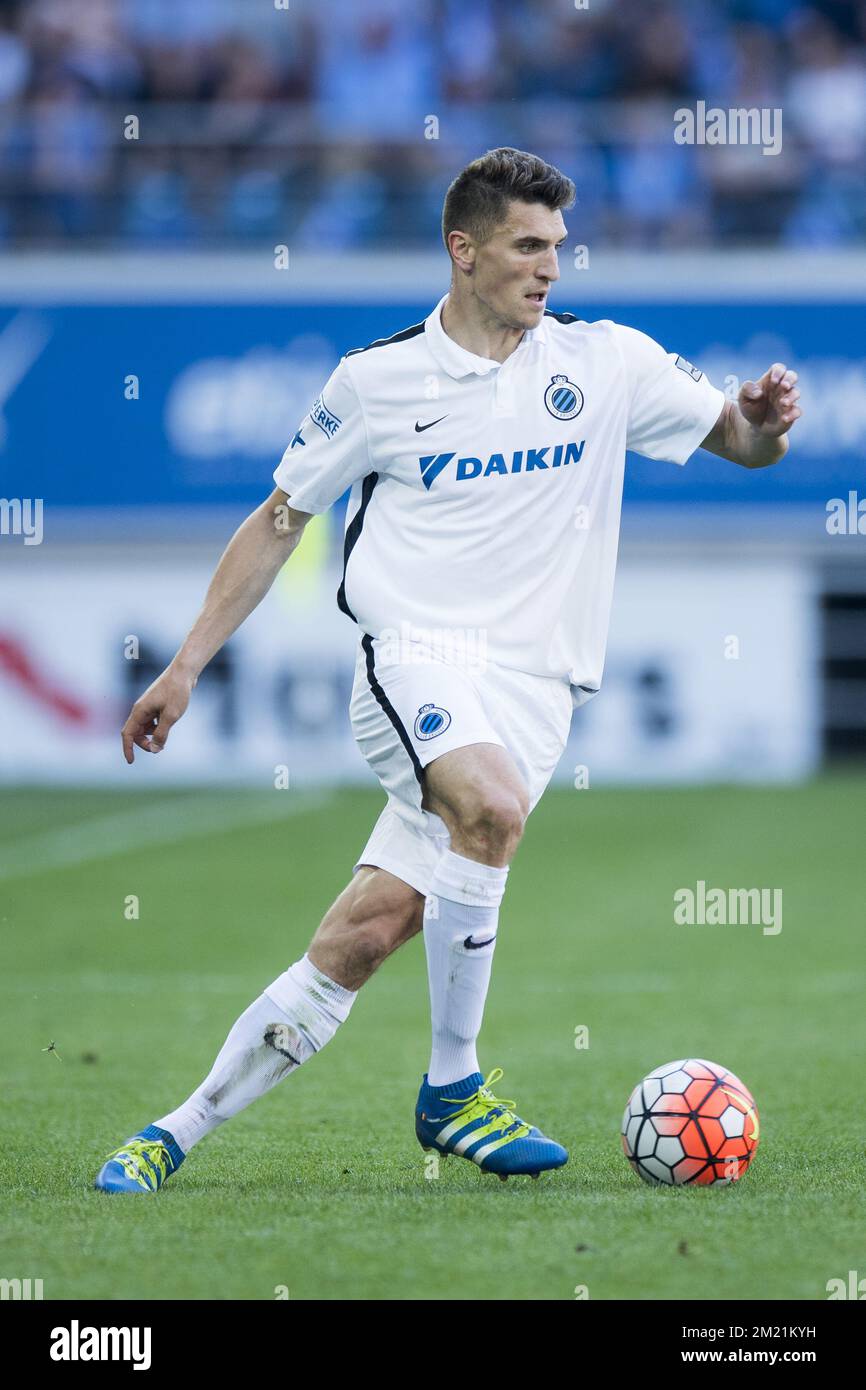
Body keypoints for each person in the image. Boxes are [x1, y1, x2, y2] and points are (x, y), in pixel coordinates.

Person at [95, 147, 801, 1192]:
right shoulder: (377, 383)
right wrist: (186, 665)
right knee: (491, 807)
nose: (548, 266)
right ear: (461, 251)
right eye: (525, 245)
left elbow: (737, 443)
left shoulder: (604, 363)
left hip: (535, 690)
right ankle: (452, 1087)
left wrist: (764, 419)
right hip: (414, 657)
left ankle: (171, 1131)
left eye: (557, 247)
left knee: (369, 930)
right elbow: (280, 518)